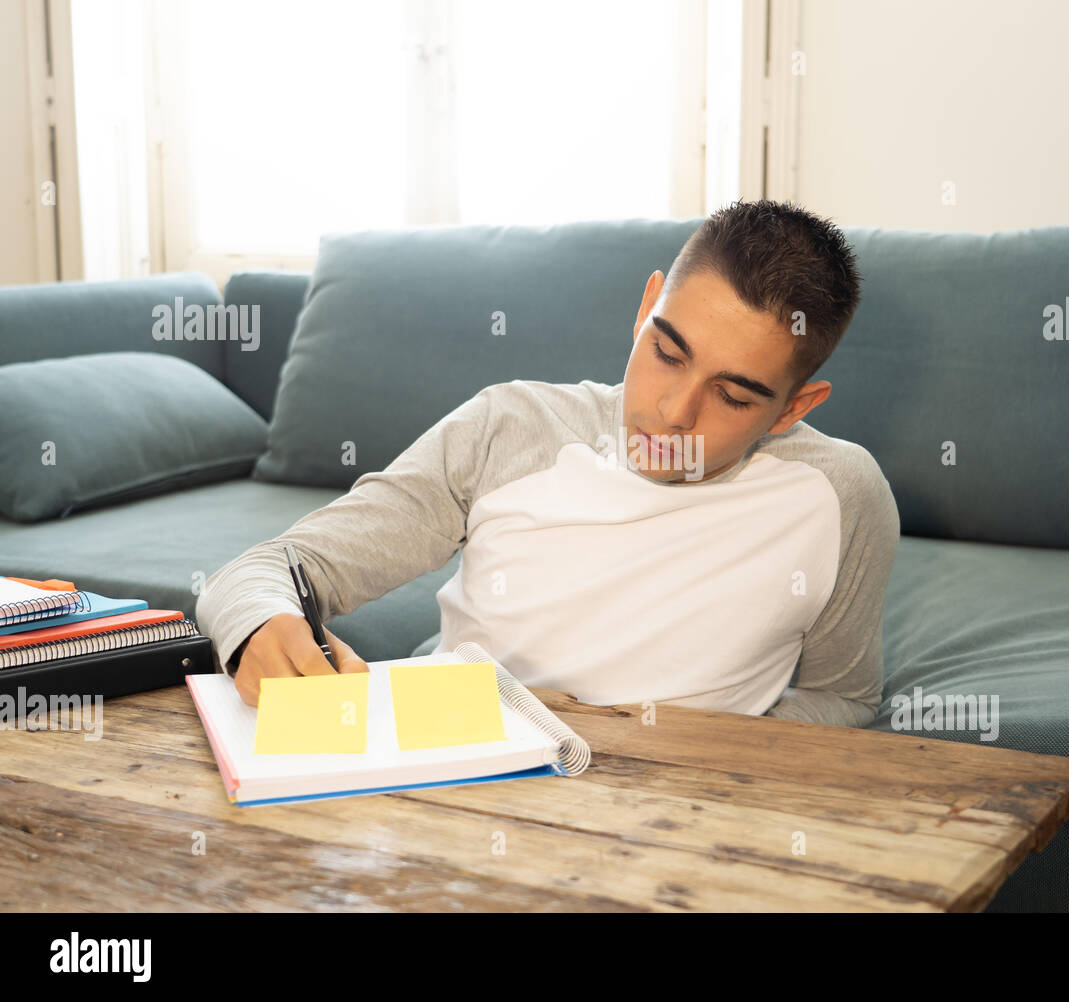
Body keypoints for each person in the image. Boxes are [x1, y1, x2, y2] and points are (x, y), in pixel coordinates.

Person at [195, 198, 900, 727]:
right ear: (647, 308)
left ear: (791, 410)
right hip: (461, 776)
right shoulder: (512, 427)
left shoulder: (842, 495)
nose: (674, 413)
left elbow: (843, 697)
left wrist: (666, 746)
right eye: (667, 353)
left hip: (673, 821)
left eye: (733, 395)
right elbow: (263, 572)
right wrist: (259, 623)